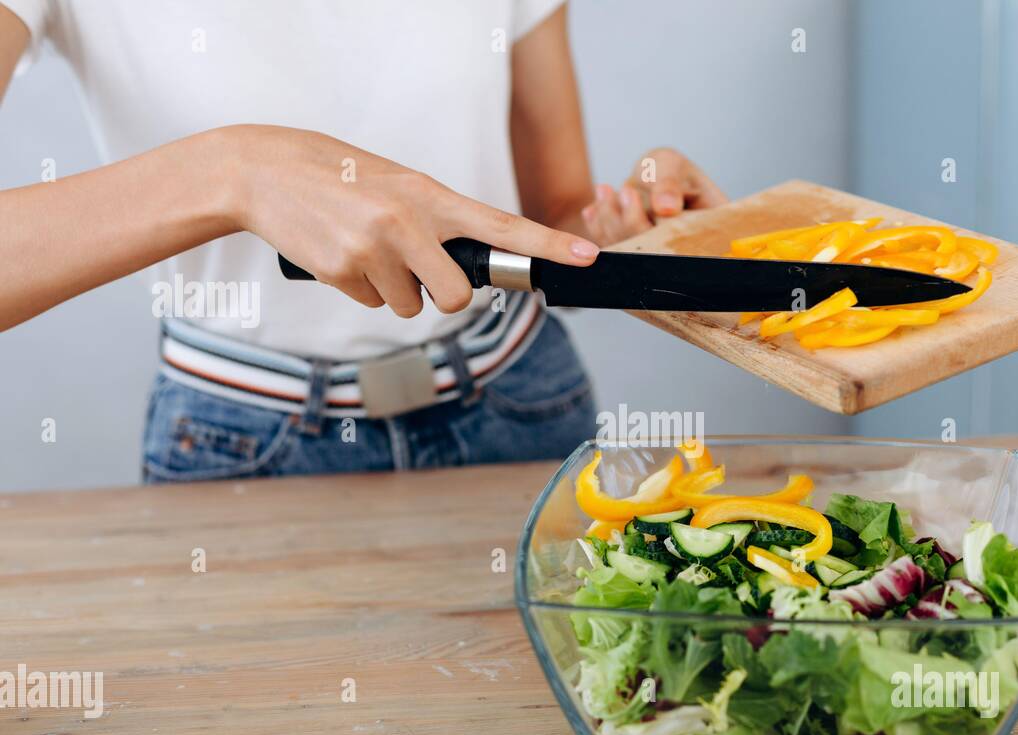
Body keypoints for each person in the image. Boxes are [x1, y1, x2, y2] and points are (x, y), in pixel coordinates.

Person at [0, 1, 726, 481]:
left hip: (522, 405)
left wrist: (625, 230)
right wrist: (231, 172)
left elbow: (556, 217)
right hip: (242, 449)